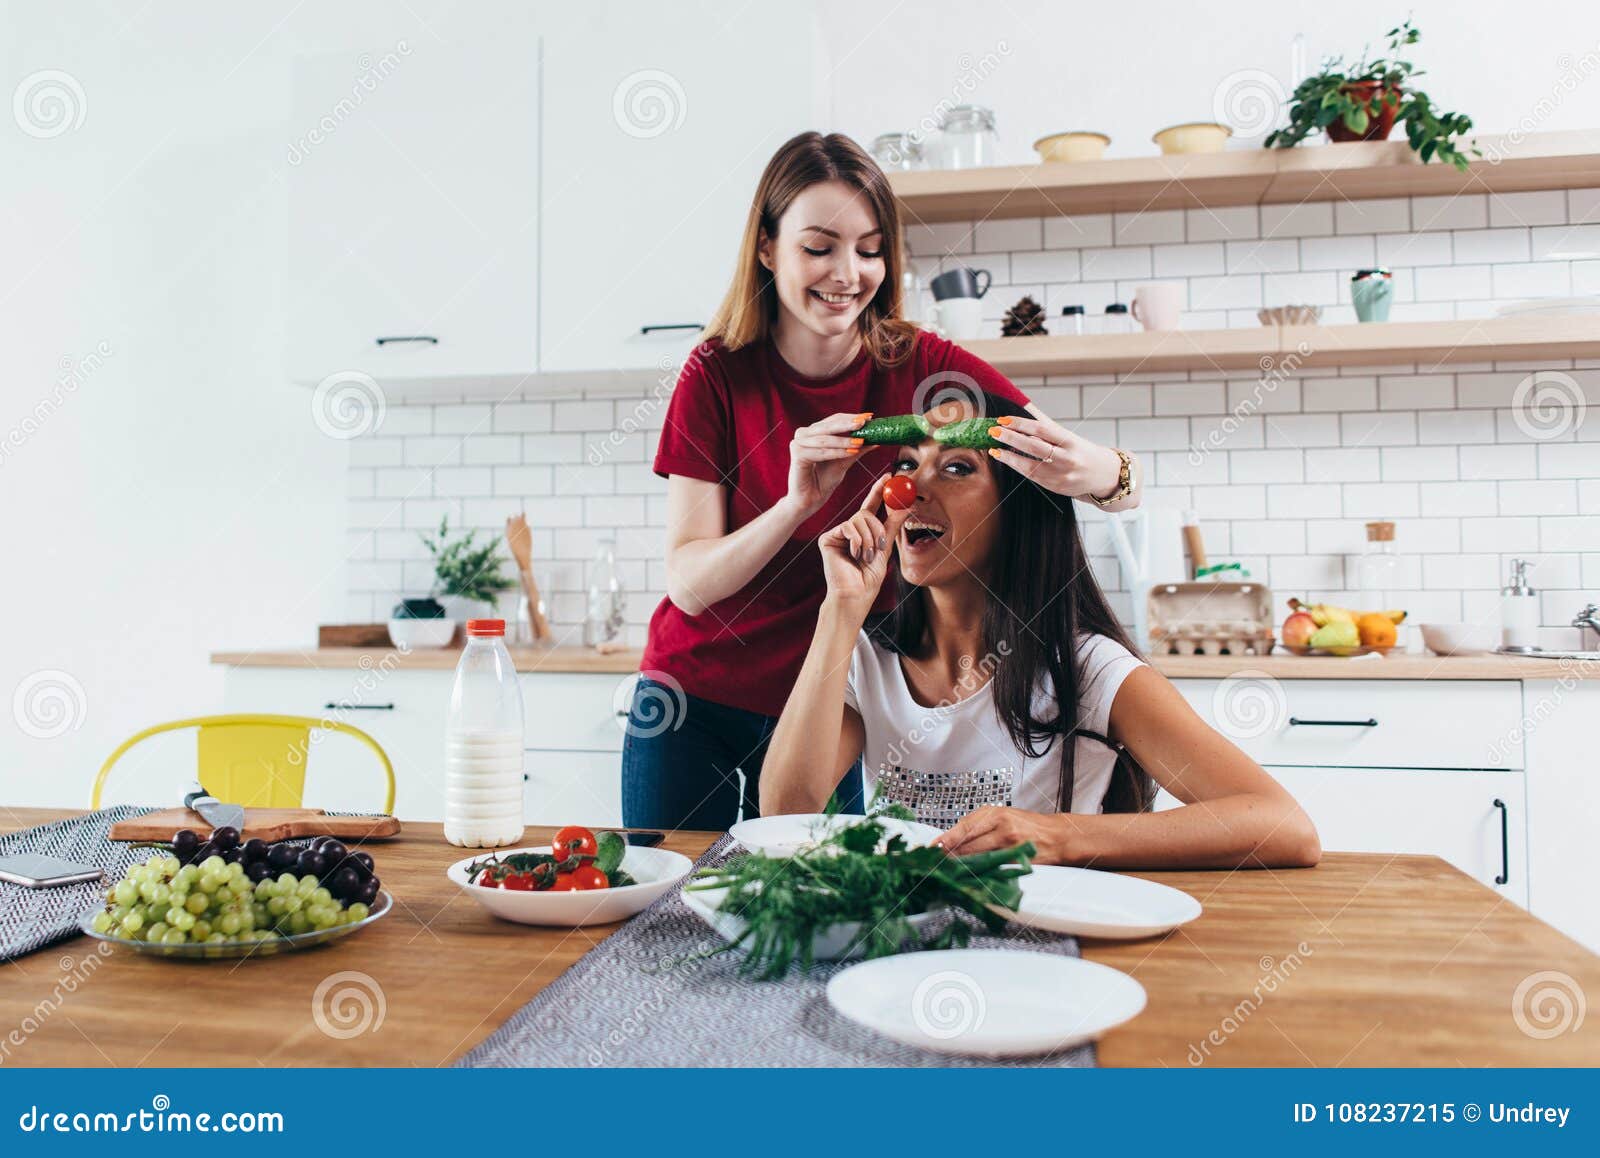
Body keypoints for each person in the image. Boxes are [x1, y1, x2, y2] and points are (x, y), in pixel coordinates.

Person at [624, 131, 1142, 832]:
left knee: (826, 909)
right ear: (768, 249)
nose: (848, 273)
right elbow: (688, 584)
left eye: (869, 249)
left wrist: (1105, 473)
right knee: (672, 912)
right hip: (696, 696)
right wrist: (794, 505)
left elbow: (1064, 463)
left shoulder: (925, 363)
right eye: (819, 247)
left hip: (839, 699)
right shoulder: (714, 373)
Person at [758, 392, 1321, 869]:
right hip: (905, 938)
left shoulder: (1091, 669)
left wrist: (1059, 836)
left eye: (957, 468)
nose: (911, 489)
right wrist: (840, 609)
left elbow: (1285, 826)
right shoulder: (866, 656)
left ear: (1020, 507)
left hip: (1046, 945)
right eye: (906, 464)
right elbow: (784, 813)